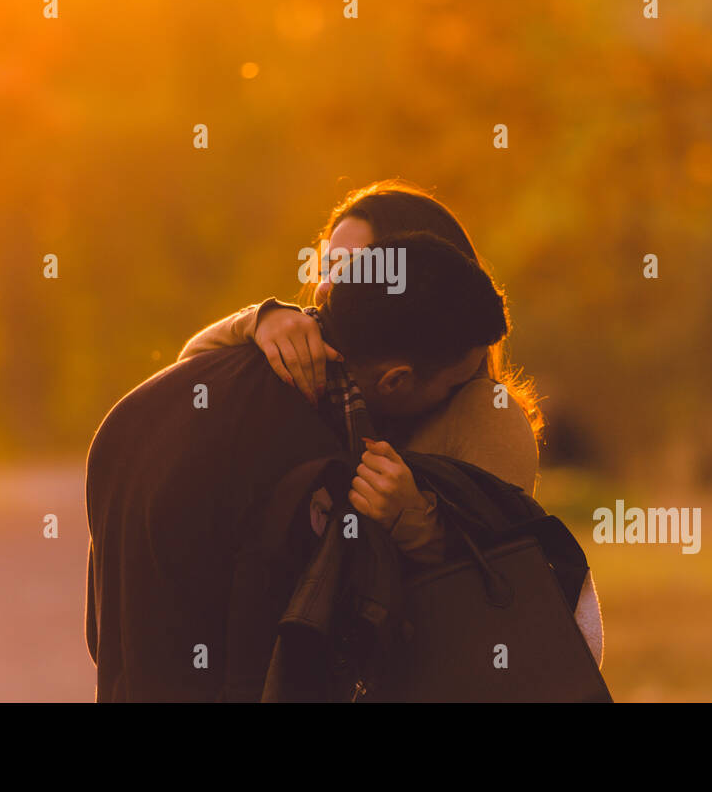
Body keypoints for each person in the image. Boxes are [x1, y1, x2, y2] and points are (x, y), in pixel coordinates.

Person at [177, 180, 603, 664]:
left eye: (355, 267)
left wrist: (417, 521)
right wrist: (257, 322)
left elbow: (497, 582)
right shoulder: (334, 374)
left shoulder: (486, 418)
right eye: (328, 265)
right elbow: (186, 388)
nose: (327, 286)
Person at [85, 233, 511, 701]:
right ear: (396, 380)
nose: (455, 401)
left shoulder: (133, 411)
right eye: (453, 388)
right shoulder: (324, 467)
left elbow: (101, 627)